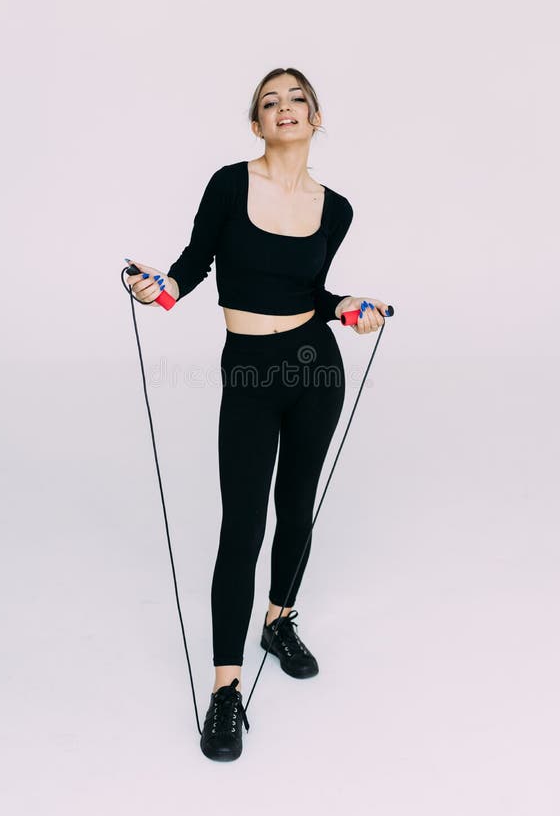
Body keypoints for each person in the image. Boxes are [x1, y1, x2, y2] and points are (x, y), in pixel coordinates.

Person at [126, 67, 388, 762]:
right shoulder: (228, 184)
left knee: (295, 506)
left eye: (296, 98)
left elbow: (312, 288)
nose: (284, 109)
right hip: (248, 368)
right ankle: (225, 690)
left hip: (314, 365)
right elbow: (195, 262)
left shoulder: (337, 209)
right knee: (241, 524)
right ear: (256, 123)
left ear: (315, 114)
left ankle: (279, 619)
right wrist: (163, 289)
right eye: (269, 102)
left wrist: (350, 308)